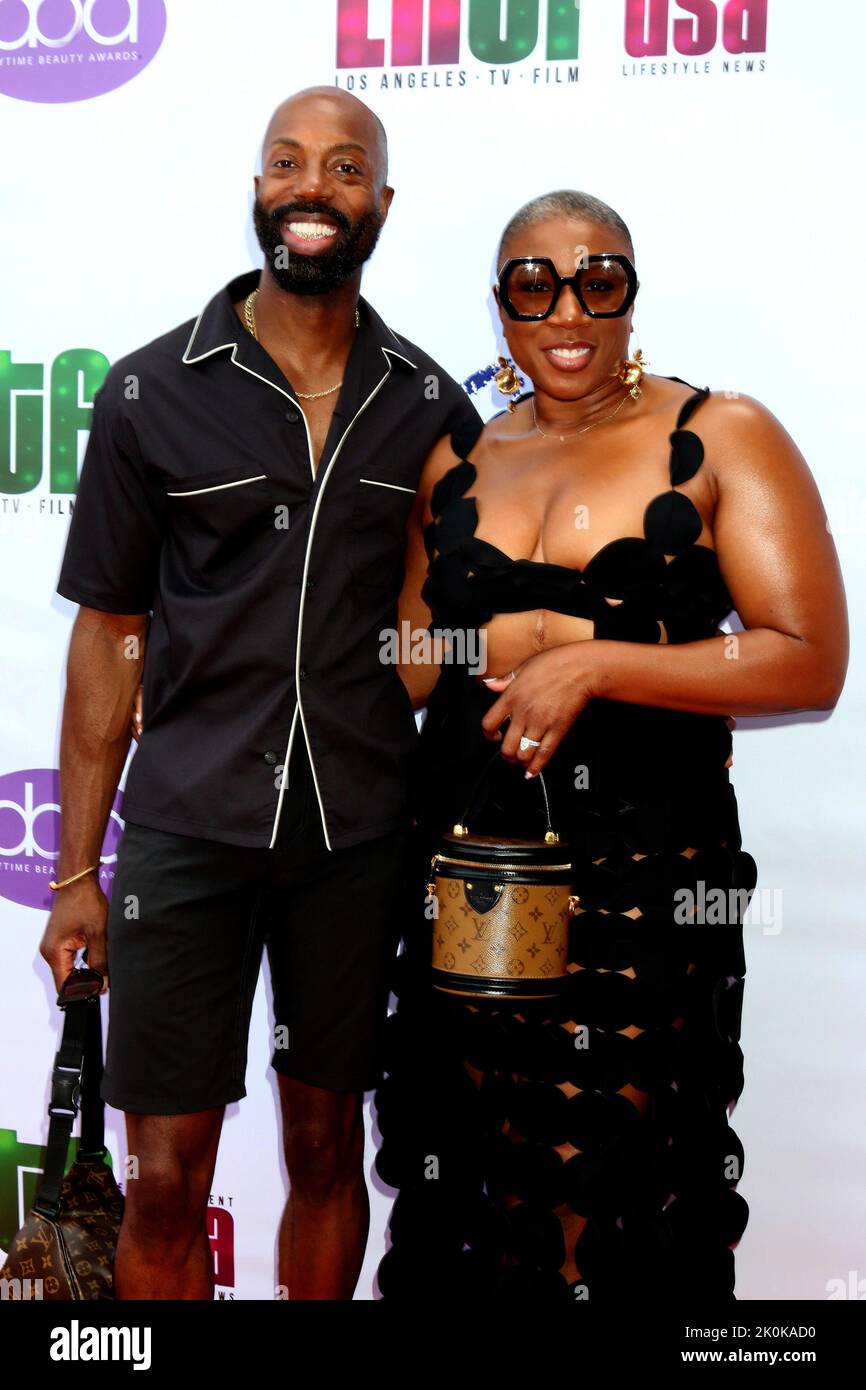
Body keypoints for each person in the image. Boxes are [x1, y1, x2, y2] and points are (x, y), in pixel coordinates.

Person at [41, 86, 481, 1301]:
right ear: (255, 190)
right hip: (186, 829)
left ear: (380, 205)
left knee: (326, 1149)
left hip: (353, 839)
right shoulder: (147, 392)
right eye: (287, 162)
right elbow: (109, 635)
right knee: (168, 1174)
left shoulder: (430, 405)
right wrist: (78, 871)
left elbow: (433, 620)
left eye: (345, 169)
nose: (312, 187)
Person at [372, 190, 849, 1302]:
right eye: (533, 284)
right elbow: (412, 656)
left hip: (649, 864)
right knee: (489, 1172)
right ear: (501, 308)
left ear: (631, 293)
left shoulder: (718, 432)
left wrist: (593, 662)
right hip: (471, 853)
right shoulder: (455, 461)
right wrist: (228, 685)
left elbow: (804, 658)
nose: (567, 309)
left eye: (598, 279)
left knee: (615, 1174)